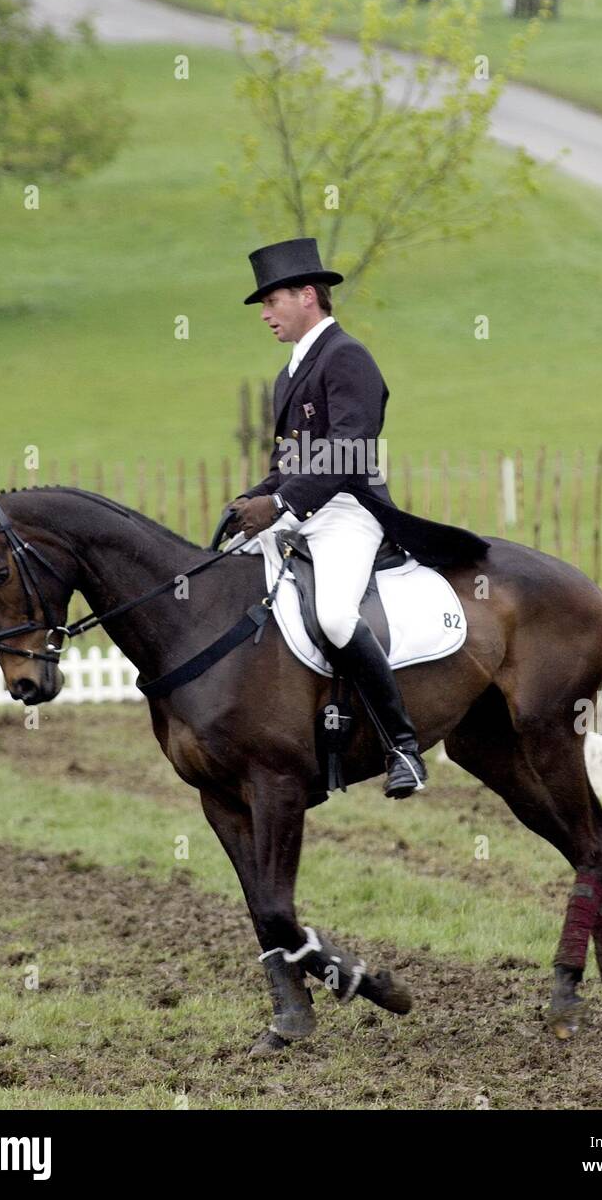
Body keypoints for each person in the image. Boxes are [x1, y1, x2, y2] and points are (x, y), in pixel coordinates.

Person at [226, 237, 486, 799]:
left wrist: (282, 503)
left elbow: (348, 449)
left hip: (349, 510)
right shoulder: (289, 372)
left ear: (308, 295)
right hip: (300, 509)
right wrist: (253, 499)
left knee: (337, 617)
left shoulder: (348, 357)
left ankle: (402, 746)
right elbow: (287, 463)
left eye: (272, 302)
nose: (266, 315)